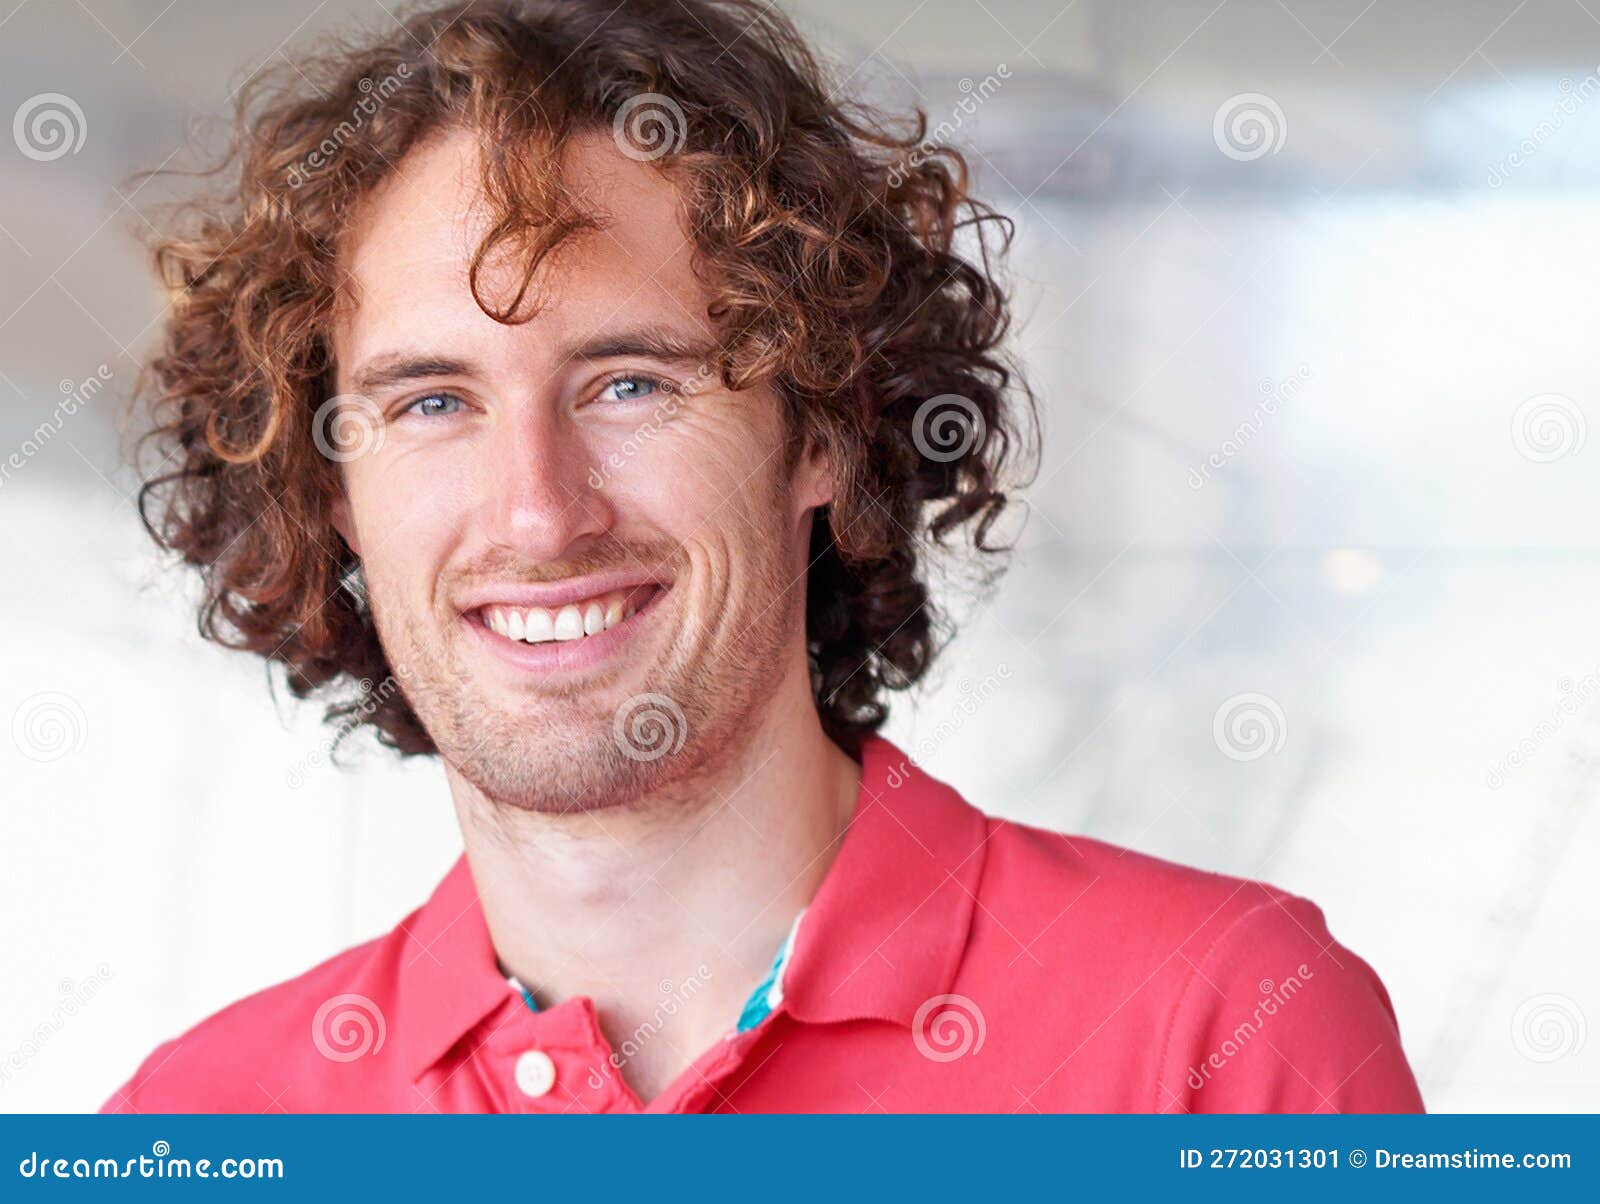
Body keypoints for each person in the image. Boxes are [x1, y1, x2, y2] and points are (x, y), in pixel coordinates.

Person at [105, 0, 1423, 1114]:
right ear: (334, 491)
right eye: (430, 403)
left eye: (629, 384)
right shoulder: (197, 1121)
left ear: (825, 434)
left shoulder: (1219, 1035)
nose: (538, 515)